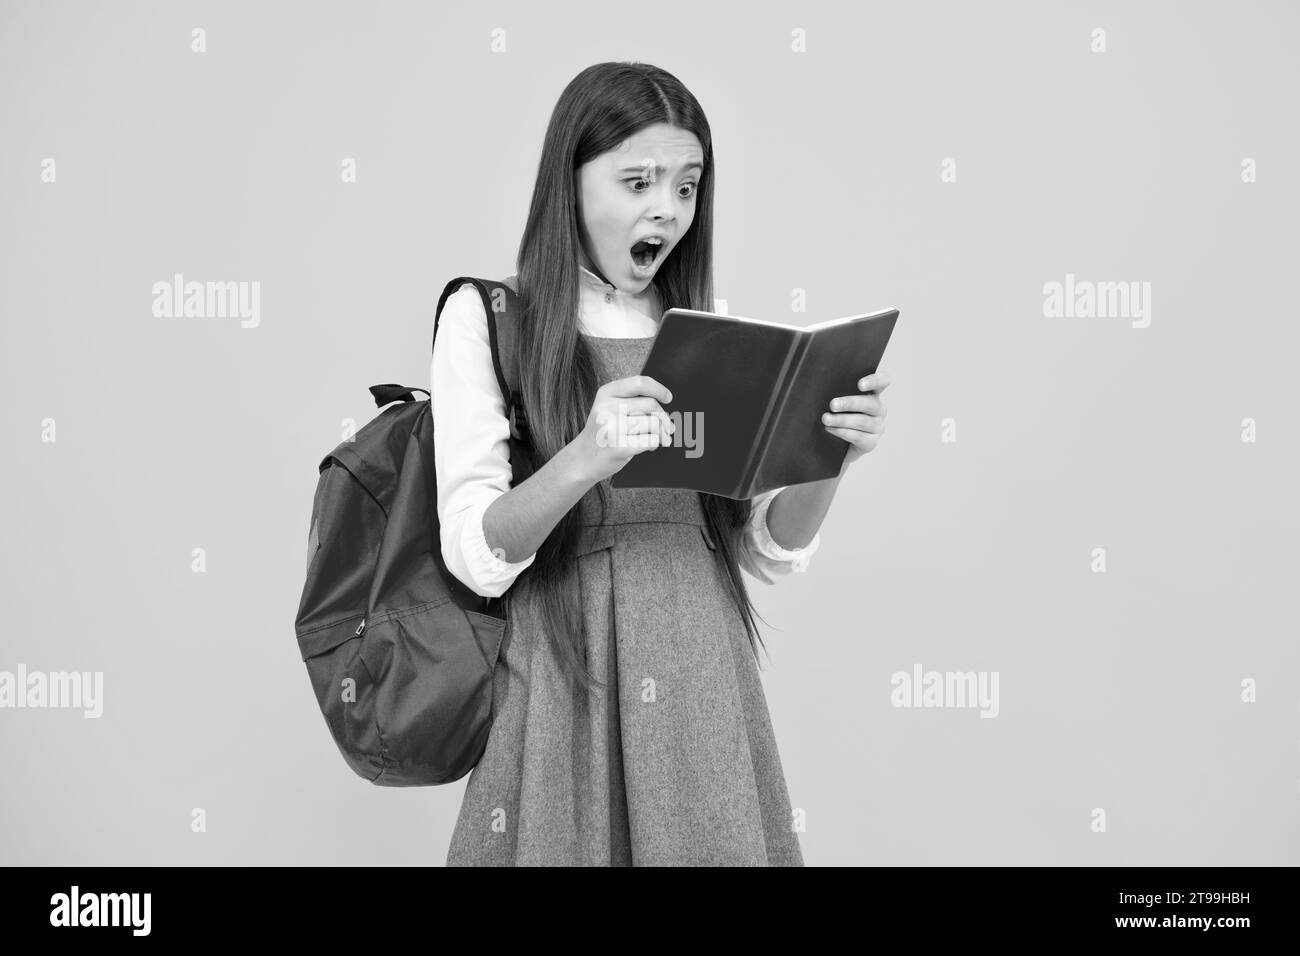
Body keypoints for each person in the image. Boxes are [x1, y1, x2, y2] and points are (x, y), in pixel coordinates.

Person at [431, 62, 890, 866]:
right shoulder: (489, 316)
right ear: (567, 183)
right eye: (637, 181)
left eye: (686, 187)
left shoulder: (698, 329)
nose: (666, 210)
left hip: (701, 673)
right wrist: (585, 457)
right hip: (564, 672)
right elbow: (476, 553)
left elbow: (762, 549)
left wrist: (829, 456)